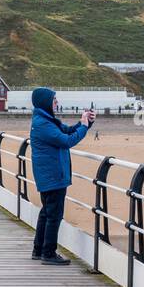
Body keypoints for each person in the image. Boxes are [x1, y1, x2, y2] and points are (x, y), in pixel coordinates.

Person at [29, 86, 93, 265]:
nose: (57, 103)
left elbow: (66, 130)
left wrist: (84, 123)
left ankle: (38, 249)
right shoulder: (44, 124)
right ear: (45, 102)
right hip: (53, 176)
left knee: (46, 212)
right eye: (54, 100)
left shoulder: (45, 120)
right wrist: (84, 129)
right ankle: (48, 253)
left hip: (48, 175)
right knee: (54, 215)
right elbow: (66, 141)